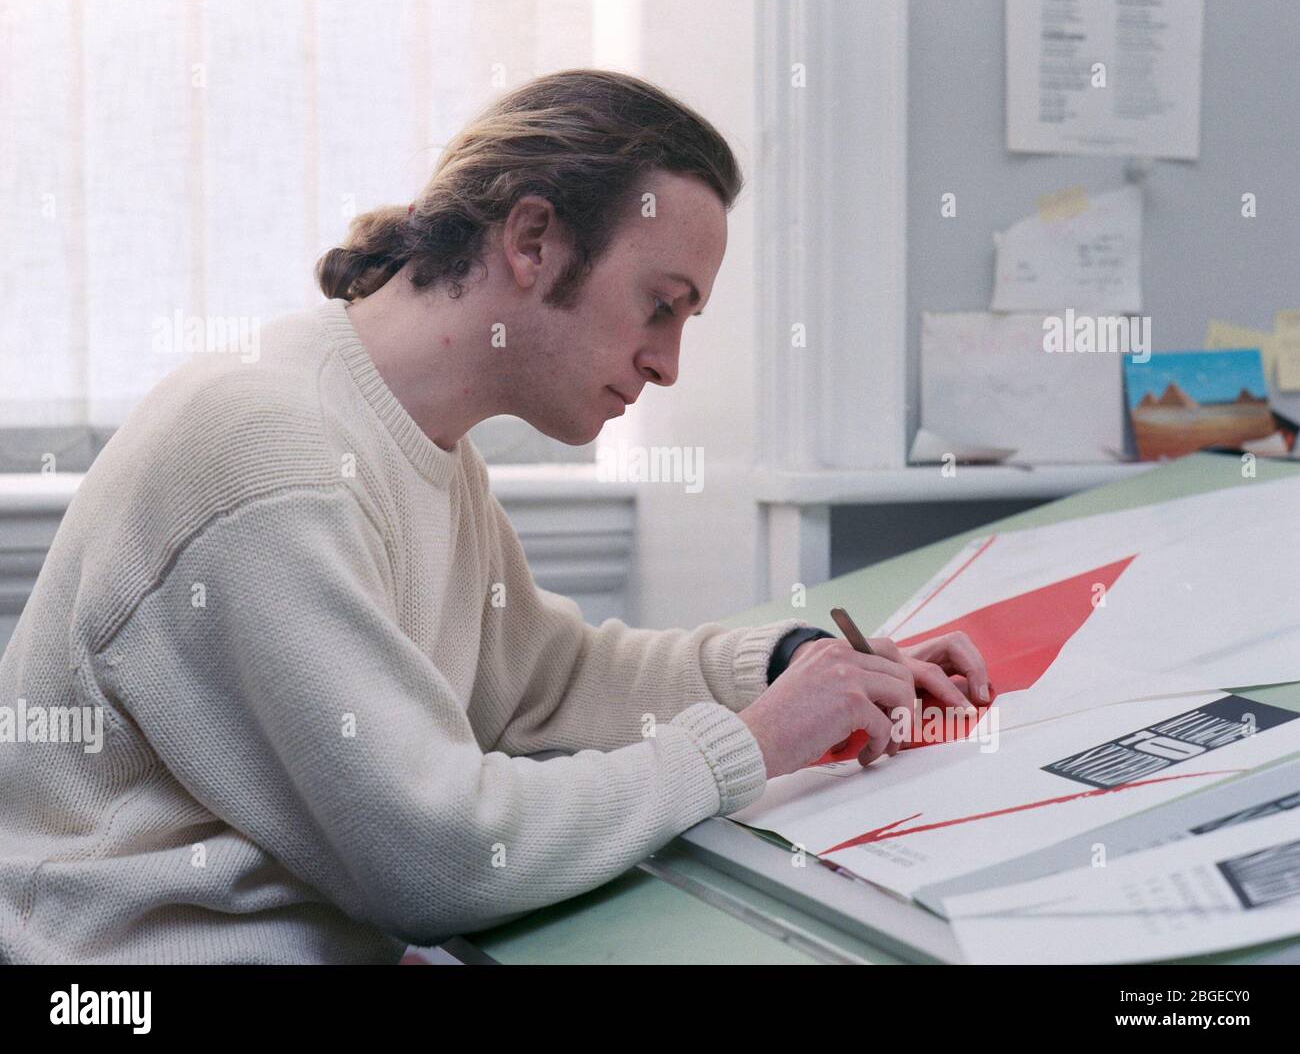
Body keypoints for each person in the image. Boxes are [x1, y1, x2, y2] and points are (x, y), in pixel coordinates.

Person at [0, 69, 988, 963]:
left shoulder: (411, 438)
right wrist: (752, 745)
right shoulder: (270, 448)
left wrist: (790, 669)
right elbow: (436, 853)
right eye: (660, 304)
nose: (667, 363)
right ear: (531, 242)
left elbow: (541, 688)